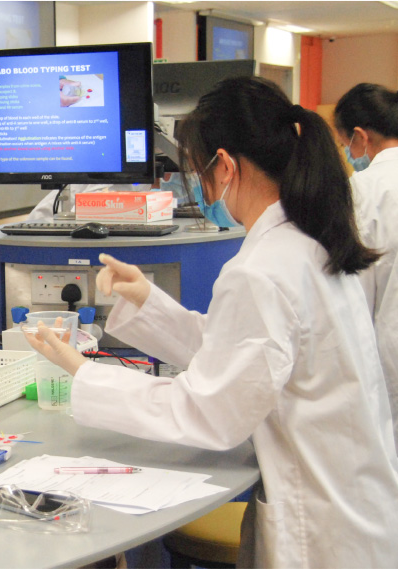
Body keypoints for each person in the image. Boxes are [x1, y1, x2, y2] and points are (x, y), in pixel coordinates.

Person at [25, 77, 398, 567]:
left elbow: (208, 411)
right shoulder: (310, 243)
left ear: (225, 166)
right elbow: (245, 352)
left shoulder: (262, 270)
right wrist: (148, 301)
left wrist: (86, 373)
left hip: (322, 532)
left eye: (196, 173)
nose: (198, 190)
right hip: (357, 508)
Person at [334, 83, 398, 448]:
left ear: (361, 137)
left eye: (346, 144)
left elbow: (353, 295)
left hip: (387, 358)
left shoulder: (363, 191)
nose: (347, 153)